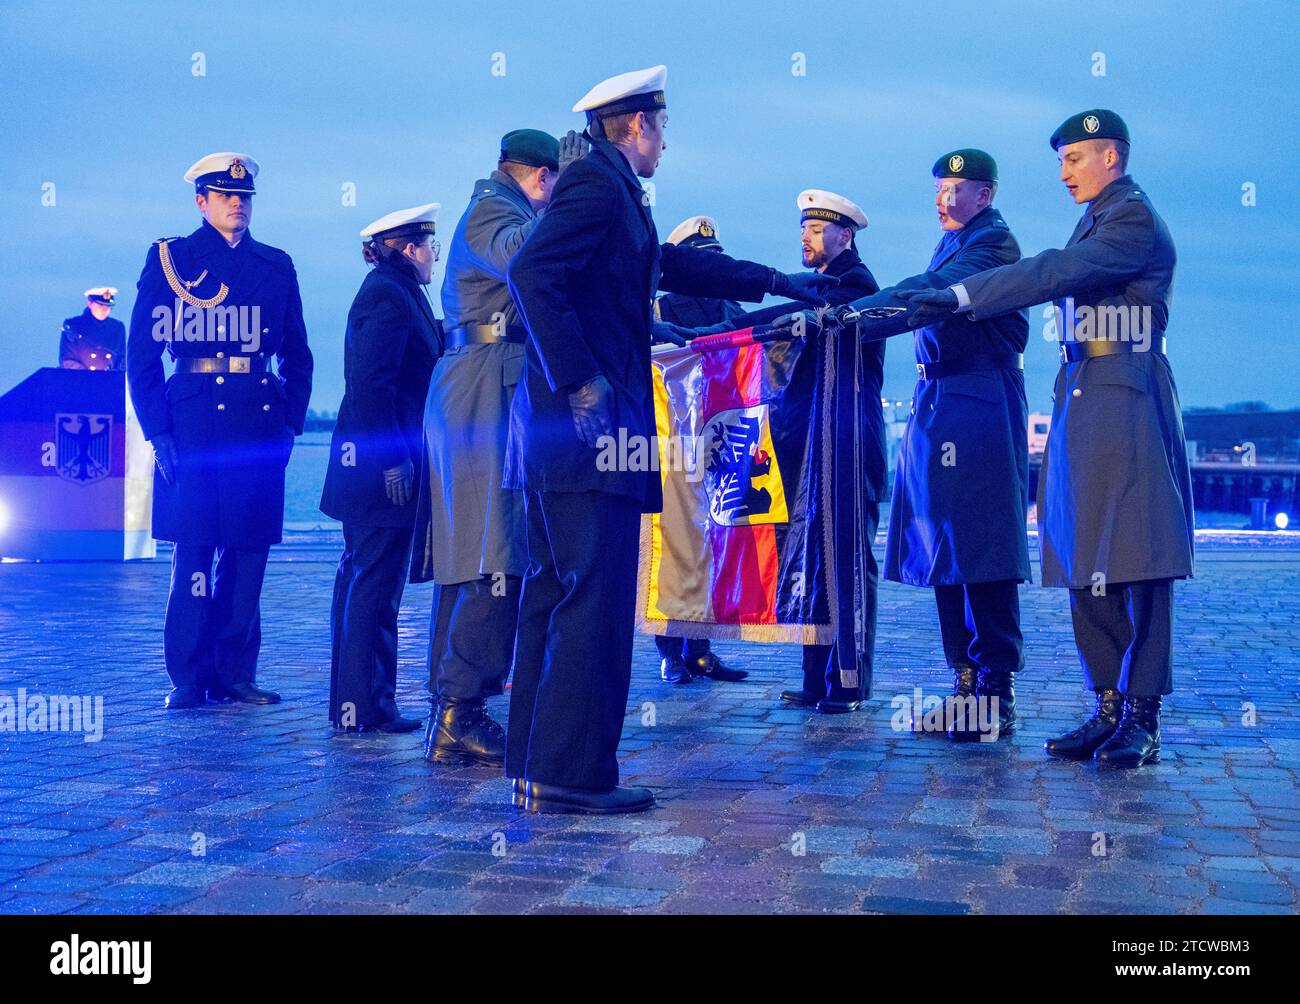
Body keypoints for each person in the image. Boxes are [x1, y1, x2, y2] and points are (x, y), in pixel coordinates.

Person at [504, 65, 838, 814]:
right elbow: (531, 273)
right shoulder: (598, 184)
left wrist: (776, 279)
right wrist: (582, 381)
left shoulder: (614, 193)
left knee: (555, 593)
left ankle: (535, 763)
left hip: (572, 442)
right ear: (639, 127)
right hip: (591, 432)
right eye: (662, 127)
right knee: (591, 600)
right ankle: (574, 774)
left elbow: (670, 263)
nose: (666, 142)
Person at [901, 110, 1193, 767]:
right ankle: (1109, 706)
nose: (1064, 173)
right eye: (1062, 161)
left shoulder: (1132, 218)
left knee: (1141, 562)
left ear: (1110, 157)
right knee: (1086, 555)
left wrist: (962, 296)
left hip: (1128, 390)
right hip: (1087, 392)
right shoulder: (1100, 214)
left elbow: (1056, 272)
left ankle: (1141, 716)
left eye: (1074, 159)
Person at [786, 150, 1029, 740]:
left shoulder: (991, 244)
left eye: (956, 188)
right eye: (939, 188)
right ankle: (965, 683)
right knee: (948, 547)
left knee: (981, 544)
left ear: (985, 195)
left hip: (976, 400)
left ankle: (995, 689)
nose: (942, 199)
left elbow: (931, 290)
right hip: (944, 401)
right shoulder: (957, 239)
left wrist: (852, 315)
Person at [669, 189, 887, 715]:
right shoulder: (821, 289)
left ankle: (848, 680)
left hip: (846, 442)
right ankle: (817, 678)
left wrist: (706, 335)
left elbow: (777, 323)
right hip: (813, 444)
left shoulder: (855, 287)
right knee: (812, 553)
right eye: (804, 230)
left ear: (845, 236)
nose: (806, 239)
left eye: (817, 230)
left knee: (846, 558)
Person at [411, 129, 583, 766]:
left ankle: (454, 707)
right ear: (540, 179)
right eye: (558, 188)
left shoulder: (500, 207)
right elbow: (522, 258)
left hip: (484, 383)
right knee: (494, 550)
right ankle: (459, 709)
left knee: (476, 552)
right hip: (484, 386)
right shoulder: (495, 208)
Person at [126, 152, 313, 710]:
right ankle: (187, 676)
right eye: (226, 195)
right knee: (194, 553)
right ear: (201, 201)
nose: (238, 203)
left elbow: (298, 355)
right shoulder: (172, 261)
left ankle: (234, 674)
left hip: (258, 424)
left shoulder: (276, 266)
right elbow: (141, 354)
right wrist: (158, 431)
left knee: (248, 551)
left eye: (245, 196)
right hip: (193, 425)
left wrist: (289, 426)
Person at [321, 204, 441, 733]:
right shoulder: (389, 297)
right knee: (374, 583)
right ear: (409, 248)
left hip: (369, 464)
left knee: (365, 580)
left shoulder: (398, 292)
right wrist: (393, 460)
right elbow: (373, 386)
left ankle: (358, 705)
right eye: (429, 245)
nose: (434, 254)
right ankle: (367, 706)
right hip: (378, 469)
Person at [650, 214, 749, 687]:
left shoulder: (728, 304)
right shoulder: (662, 309)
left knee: (715, 543)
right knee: (676, 545)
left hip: (724, 435)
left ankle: (702, 648)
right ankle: (671, 650)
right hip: (679, 439)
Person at [60, 287, 125, 370]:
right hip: (80, 379)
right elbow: (67, 360)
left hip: (108, 380)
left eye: (108, 306)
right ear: (90, 303)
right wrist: (90, 377)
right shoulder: (73, 325)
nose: (104, 309)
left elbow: (122, 359)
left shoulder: (117, 328)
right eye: (100, 305)